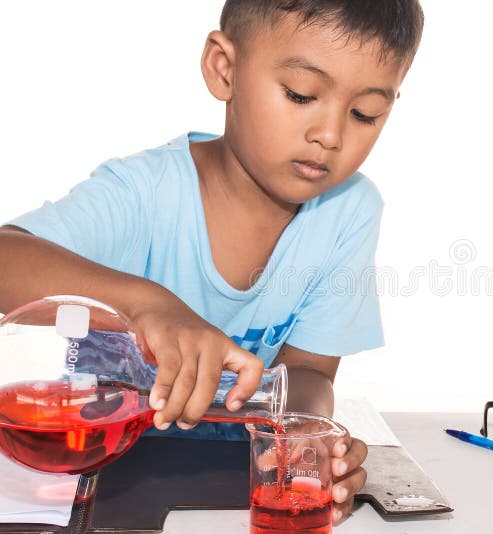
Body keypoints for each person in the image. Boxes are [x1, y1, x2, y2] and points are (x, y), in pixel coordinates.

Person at [0, 0, 424, 524]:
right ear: (224, 68)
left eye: (365, 114)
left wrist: (307, 439)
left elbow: (309, 372)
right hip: (91, 479)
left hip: (225, 491)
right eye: (300, 95)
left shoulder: (348, 210)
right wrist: (148, 305)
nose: (331, 135)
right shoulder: (144, 192)